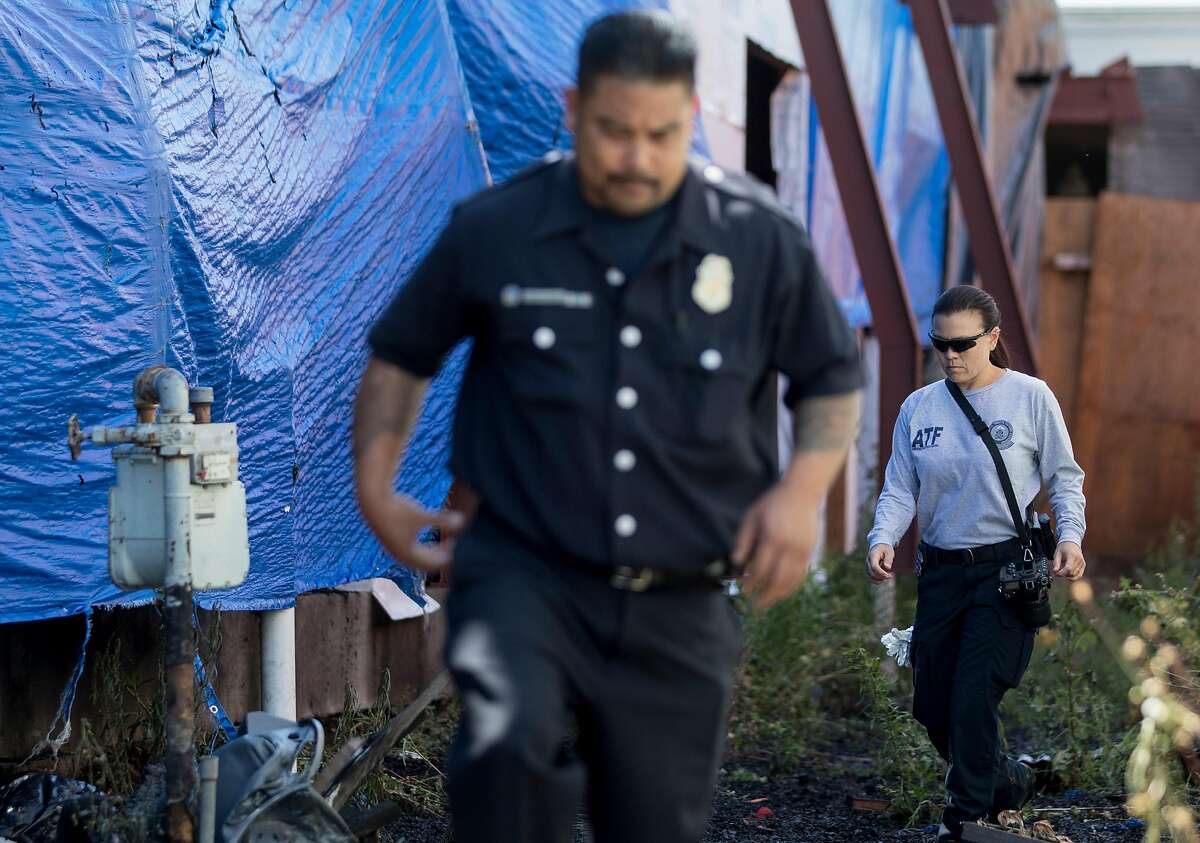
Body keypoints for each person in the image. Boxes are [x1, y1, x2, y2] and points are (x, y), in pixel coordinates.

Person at [352, 10, 862, 843]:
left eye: (661, 134)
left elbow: (832, 374)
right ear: (572, 107)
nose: (637, 156)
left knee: (657, 824)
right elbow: (402, 356)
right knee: (506, 773)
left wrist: (802, 494)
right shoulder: (498, 228)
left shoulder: (759, 240)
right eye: (614, 131)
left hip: (679, 598)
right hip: (522, 573)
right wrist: (377, 491)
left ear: (692, 116)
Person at [865, 285, 1087, 842]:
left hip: (1006, 573)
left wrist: (1072, 536)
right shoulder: (919, 407)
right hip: (941, 573)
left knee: (972, 695)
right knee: (932, 702)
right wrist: (883, 536)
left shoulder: (1031, 398)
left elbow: (1065, 477)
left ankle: (962, 821)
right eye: (940, 344)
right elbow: (899, 485)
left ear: (992, 337)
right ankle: (1007, 783)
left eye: (963, 343)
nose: (951, 355)